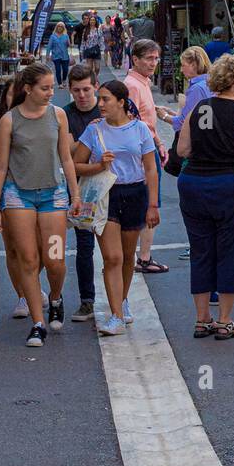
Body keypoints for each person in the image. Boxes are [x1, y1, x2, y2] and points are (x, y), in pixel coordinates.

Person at [0, 61, 81, 346]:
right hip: (18, 196)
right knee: (28, 259)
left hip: (53, 195)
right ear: (27, 89)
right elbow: (1, 166)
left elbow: (66, 157)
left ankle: (55, 297)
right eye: (45, 88)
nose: (51, 92)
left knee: (55, 260)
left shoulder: (58, 116)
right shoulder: (9, 121)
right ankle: (38, 322)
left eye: (52, 87)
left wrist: (75, 194)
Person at [176, 53, 234, 340]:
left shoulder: (198, 108)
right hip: (229, 187)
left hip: (194, 186)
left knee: (201, 252)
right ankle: (225, 320)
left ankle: (202, 319)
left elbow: (183, 151)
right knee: (230, 251)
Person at [73, 79, 161, 335]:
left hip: (135, 192)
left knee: (126, 257)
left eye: (105, 99)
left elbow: (150, 169)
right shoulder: (94, 130)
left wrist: (153, 204)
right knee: (112, 257)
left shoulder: (140, 129)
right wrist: (98, 164)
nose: (100, 104)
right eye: (99, 99)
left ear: (121, 102)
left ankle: (121, 300)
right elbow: (75, 165)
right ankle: (116, 316)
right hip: (105, 194)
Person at [63, 63, 102, 321]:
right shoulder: (64, 114)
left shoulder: (108, 106)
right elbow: (69, 153)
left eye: (86, 89)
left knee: (115, 248)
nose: (82, 95)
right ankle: (87, 301)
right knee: (84, 245)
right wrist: (91, 132)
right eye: (76, 91)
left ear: (95, 87)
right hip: (80, 186)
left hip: (111, 185)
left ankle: (121, 302)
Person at [126, 38, 169, 273]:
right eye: (149, 58)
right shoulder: (133, 84)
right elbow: (134, 121)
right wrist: (151, 146)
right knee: (149, 203)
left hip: (149, 147)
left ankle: (144, 255)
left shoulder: (142, 82)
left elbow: (148, 121)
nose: (154, 62)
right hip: (142, 151)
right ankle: (142, 257)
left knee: (150, 203)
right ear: (136, 59)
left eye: (156, 58)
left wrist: (159, 143)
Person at [80, 14, 104, 81]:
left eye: (93, 20)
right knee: (89, 68)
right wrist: (82, 49)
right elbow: (83, 40)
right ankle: (92, 79)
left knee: (97, 67)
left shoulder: (98, 29)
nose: (92, 21)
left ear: (95, 21)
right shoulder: (86, 30)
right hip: (88, 50)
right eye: (91, 20)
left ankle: (95, 76)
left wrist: (101, 47)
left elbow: (101, 38)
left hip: (96, 50)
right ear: (89, 21)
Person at [49, 22, 71, 86]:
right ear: (56, 27)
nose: (60, 27)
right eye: (59, 26)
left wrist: (68, 43)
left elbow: (68, 45)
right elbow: (49, 46)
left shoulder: (66, 35)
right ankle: (59, 83)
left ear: (63, 28)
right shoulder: (53, 36)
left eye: (61, 26)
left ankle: (64, 80)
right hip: (56, 55)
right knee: (58, 70)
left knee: (65, 69)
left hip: (65, 55)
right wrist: (48, 55)